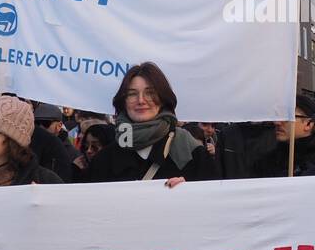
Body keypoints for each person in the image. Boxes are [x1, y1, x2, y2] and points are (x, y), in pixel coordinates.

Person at [84, 63, 218, 182]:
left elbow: (213, 200)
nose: (141, 100)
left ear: (163, 98)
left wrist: (190, 190)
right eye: (132, 94)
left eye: (150, 93)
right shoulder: (103, 161)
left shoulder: (191, 152)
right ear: (123, 101)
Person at [253, 96, 315, 177]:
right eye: (277, 116)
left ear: (308, 123)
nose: (277, 122)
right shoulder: (266, 157)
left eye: (287, 117)